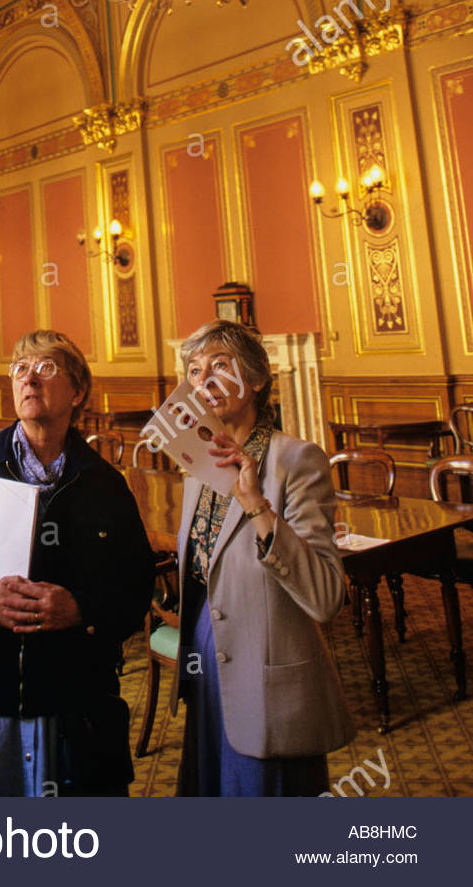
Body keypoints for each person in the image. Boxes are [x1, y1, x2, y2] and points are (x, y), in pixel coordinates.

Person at [0, 329, 155, 797]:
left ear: (77, 391)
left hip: (75, 700)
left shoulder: (104, 485)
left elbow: (136, 585)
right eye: (20, 369)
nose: (29, 378)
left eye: (46, 368)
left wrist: (80, 609)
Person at [174, 320, 353, 796]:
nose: (203, 381)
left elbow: (326, 595)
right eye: (194, 371)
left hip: (269, 678)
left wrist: (256, 505)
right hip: (206, 662)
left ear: (255, 379)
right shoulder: (199, 461)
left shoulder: (296, 460)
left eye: (218, 366)